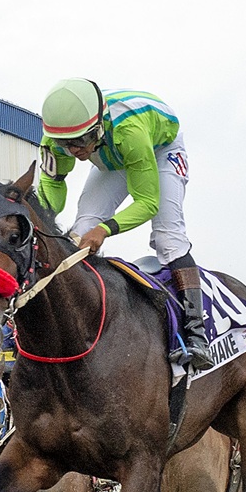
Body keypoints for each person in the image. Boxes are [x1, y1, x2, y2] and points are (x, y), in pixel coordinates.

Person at [37, 79, 211, 371]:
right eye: (68, 144)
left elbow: (147, 202)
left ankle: (196, 334)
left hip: (158, 149)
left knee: (168, 238)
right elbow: (51, 197)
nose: (76, 151)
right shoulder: (55, 142)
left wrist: (105, 230)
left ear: (98, 126)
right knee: (79, 231)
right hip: (111, 155)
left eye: (81, 141)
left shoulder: (130, 131)